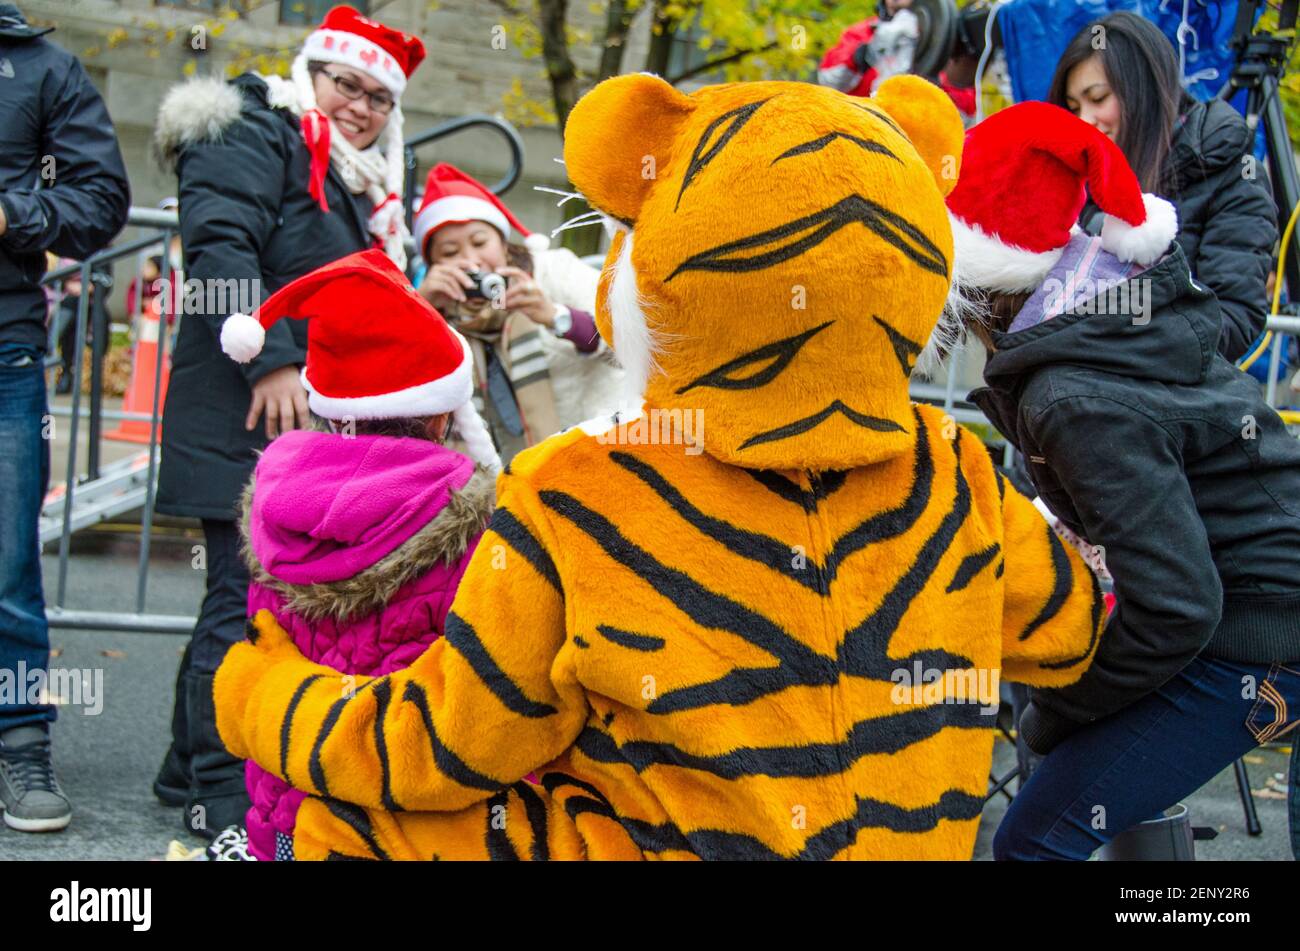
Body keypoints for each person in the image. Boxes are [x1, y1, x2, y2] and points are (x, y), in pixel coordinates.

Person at [213, 75, 1105, 861]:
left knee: (346, 823)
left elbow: (445, 748)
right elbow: (1068, 629)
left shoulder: (577, 490)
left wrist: (262, 689)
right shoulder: (958, 472)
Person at [942, 101, 1300, 860]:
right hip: (1261, 602)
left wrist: (1060, 707)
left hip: (1264, 631)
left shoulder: (1071, 393)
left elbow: (1177, 606)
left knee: (1034, 840)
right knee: (1107, 805)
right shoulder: (1108, 316)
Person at [149, 4, 425, 840]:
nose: (361, 107)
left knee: (244, 593)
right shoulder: (255, 131)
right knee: (244, 597)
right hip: (246, 402)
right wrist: (268, 358)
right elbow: (218, 246)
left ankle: (185, 766)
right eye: (347, 85)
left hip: (297, 419)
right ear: (311, 73)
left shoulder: (356, 178)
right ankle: (221, 797)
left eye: (379, 98)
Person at [208, 250, 496, 860]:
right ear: (439, 414)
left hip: (284, 823)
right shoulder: (469, 522)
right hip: (402, 830)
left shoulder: (279, 497)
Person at [0, 2, 129, 833]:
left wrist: (11, 214)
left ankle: (20, 740)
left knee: (6, 562)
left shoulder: (46, 68)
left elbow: (102, 199)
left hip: (3, 347)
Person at [1048, 10, 1278, 362]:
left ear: (1143, 90)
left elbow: (1231, 320)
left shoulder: (1232, 174)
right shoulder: (1083, 177)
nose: (1085, 121)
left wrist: (1114, 335)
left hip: (1164, 390)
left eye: (1098, 98)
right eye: (1074, 107)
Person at [414, 163, 623, 461]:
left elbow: (627, 344)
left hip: (595, 450)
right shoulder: (434, 309)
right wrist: (421, 309)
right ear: (433, 264)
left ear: (503, 242)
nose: (471, 260)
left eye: (480, 242)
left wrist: (555, 316)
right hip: (501, 474)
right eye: (450, 253)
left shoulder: (553, 271)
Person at [818, 0, 977, 118]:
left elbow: (965, 111)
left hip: (917, 139)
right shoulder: (864, 33)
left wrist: (932, 86)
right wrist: (861, 56)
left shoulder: (945, 42)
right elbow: (827, 83)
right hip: (862, 129)